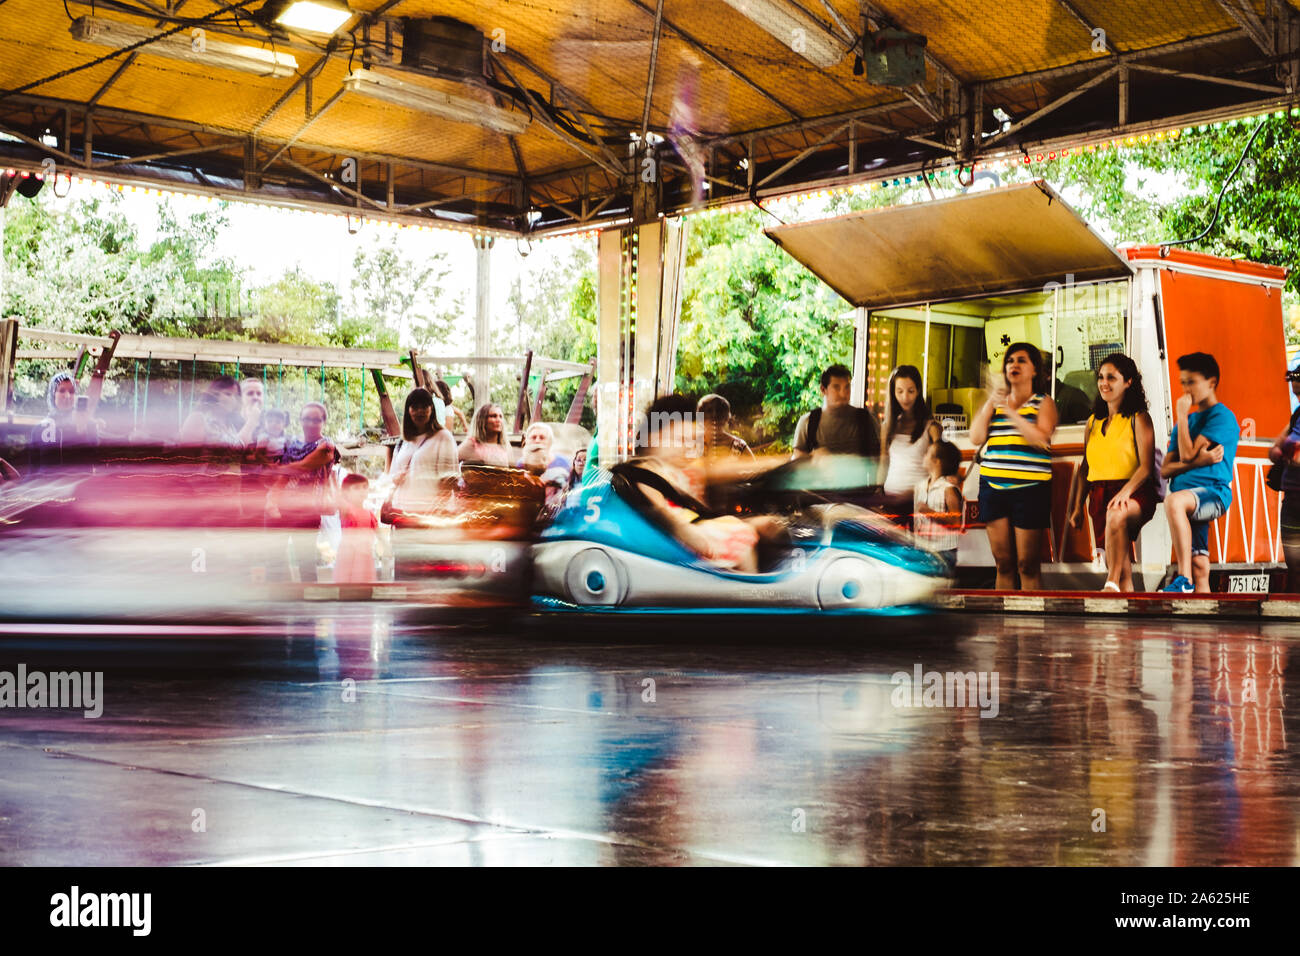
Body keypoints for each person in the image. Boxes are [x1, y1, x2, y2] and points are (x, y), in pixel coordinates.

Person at [616, 395, 783, 573]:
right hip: (681, 545)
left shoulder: (680, 470)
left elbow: (724, 470)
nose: (685, 448)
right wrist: (698, 539)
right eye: (679, 440)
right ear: (652, 438)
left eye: (690, 442)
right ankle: (749, 593)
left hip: (697, 530)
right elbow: (664, 517)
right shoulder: (645, 474)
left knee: (765, 528)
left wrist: (774, 464)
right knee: (742, 546)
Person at [969, 342, 1059, 591]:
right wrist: (991, 402)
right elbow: (976, 438)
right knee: (1003, 563)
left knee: (1027, 564)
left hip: (1031, 489)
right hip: (993, 487)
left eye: (1021, 360)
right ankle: (1004, 624)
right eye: (1010, 361)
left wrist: (1011, 412)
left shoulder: (1044, 402)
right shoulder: (996, 404)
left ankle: (1033, 624)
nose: (1014, 365)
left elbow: (1040, 439)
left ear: (1034, 371)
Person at [1065, 353, 1157, 592]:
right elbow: (1086, 467)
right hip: (1099, 494)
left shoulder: (1139, 418)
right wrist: (1076, 507)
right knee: (1121, 563)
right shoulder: (1093, 422)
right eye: (1101, 377)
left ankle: (1110, 581)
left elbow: (1146, 467)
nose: (1104, 383)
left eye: (1111, 378)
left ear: (1128, 382)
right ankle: (1123, 600)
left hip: (1134, 490)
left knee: (1116, 513)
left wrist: (1125, 493)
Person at [1160, 352, 1238, 594]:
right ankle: (1202, 622)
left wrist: (1181, 416)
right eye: (1183, 382)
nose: (1186, 389)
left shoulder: (1220, 416)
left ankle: (1183, 579)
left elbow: (1185, 454)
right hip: (1188, 500)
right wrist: (1197, 461)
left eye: (1191, 382)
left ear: (1211, 382)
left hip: (1212, 494)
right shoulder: (1187, 422)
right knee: (1200, 564)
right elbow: (1166, 469)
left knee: (1173, 502)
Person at [272, 401, 339, 583]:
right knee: (276, 560)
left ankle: (309, 606)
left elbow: (304, 466)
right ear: (300, 420)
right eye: (306, 419)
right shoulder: (291, 443)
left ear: (323, 421)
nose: (310, 423)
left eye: (316, 420)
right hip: (282, 509)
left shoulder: (326, 445)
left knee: (306, 562)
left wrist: (283, 469)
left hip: (308, 511)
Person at [880, 365, 941, 521]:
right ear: (893, 393)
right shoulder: (887, 426)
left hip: (919, 503)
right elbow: (883, 462)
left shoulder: (931, 427)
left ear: (919, 391)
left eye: (911, 391)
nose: (905, 397)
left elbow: (940, 466)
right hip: (890, 503)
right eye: (899, 391)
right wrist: (879, 492)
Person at [388, 387, 458, 516]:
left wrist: (435, 512)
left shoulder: (443, 437)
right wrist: (397, 478)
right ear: (408, 411)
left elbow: (449, 481)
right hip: (402, 513)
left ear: (431, 409)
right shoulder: (403, 441)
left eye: (424, 406)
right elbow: (392, 476)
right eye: (415, 407)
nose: (420, 411)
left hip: (429, 516)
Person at [791, 364, 881, 459]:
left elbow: (879, 457)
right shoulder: (809, 422)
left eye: (847, 387)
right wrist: (813, 457)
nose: (843, 393)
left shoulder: (865, 419)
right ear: (823, 389)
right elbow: (796, 456)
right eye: (836, 387)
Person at [28, 370, 100, 473]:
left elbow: (96, 462)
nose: (67, 396)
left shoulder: (90, 425)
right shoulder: (40, 428)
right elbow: (33, 471)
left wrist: (82, 432)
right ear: (53, 395)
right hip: (47, 487)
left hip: (78, 487)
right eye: (62, 391)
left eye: (71, 392)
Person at [1269, 367, 1300, 591]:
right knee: (1293, 561)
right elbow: (1274, 449)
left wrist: (1288, 452)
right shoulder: (1297, 415)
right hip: (1292, 496)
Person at [913, 439, 963, 569]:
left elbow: (956, 522)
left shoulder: (948, 488)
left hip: (944, 550)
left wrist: (929, 512)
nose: (924, 456)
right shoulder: (920, 486)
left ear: (937, 461)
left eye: (928, 453)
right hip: (923, 547)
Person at [334, 473, 378, 584]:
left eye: (364, 487)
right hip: (348, 555)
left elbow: (378, 532)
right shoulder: (346, 510)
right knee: (347, 585)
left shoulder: (370, 514)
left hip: (365, 556)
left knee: (364, 587)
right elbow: (336, 497)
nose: (362, 491)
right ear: (346, 492)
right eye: (356, 488)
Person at [696, 394, 753, 459]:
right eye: (709, 411)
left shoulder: (739, 447)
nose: (714, 415)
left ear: (726, 417)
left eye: (719, 411)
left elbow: (754, 468)